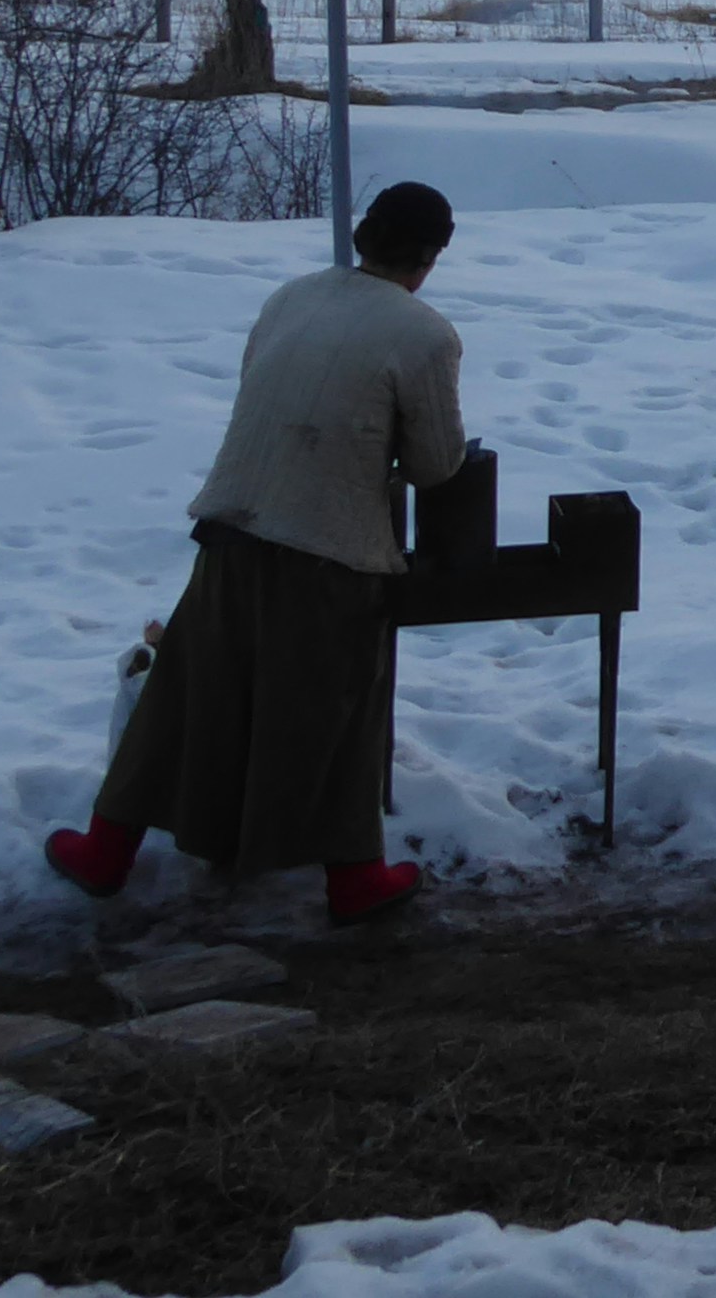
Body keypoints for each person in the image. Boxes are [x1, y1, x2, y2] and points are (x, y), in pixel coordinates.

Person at [48, 180, 470, 927]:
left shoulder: (293, 296)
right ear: (430, 258)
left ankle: (106, 850)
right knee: (337, 704)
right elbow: (438, 465)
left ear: (363, 237)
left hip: (233, 522)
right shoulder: (425, 335)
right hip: (328, 547)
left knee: (188, 691)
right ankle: (355, 876)